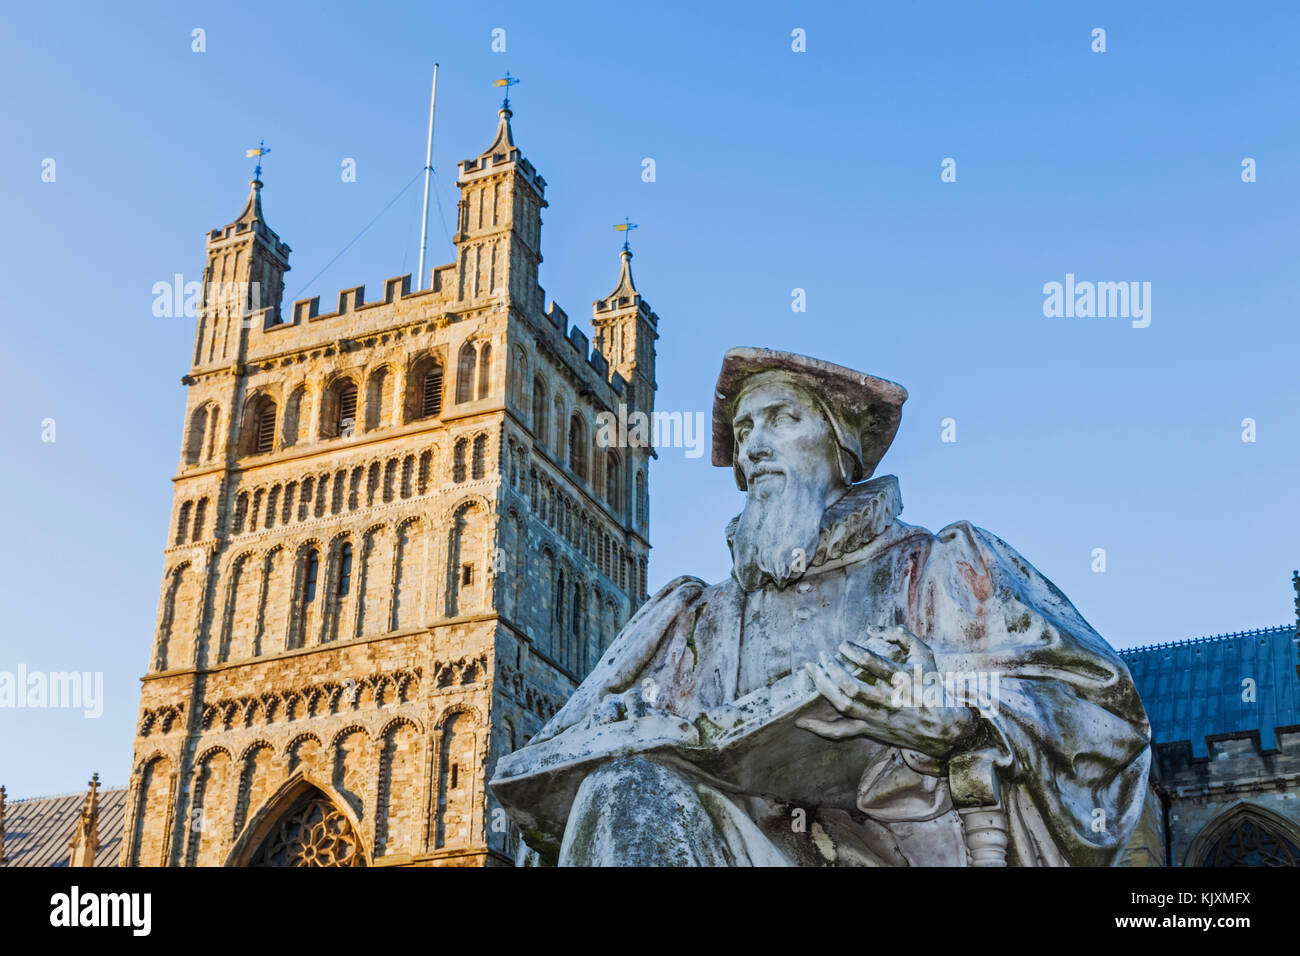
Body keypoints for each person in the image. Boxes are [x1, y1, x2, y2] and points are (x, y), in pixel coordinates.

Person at [492, 347, 1151, 866]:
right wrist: (615, 728)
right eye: (746, 427)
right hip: (743, 849)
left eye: (782, 418)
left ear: (842, 446)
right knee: (621, 793)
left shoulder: (938, 569)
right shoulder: (698, 619)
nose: (753, 445)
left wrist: (959, 719)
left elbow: (1101, 716)